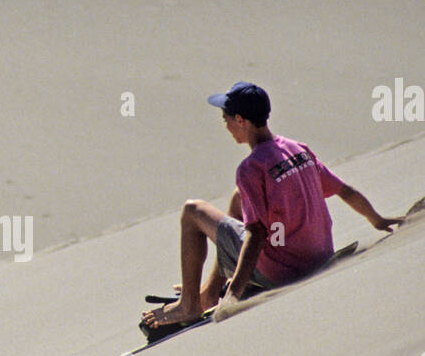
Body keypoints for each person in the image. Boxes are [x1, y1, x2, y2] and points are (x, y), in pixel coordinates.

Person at [142, 82, 403, 330]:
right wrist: (376, 220)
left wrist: (232, 296)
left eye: (227, 120)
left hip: (282, 270)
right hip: (319, 256)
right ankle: (208, 293)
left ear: (241, 121)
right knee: (238, 199)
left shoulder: (251, 168)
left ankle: (189, 305)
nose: (226, 126)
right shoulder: (297, 149)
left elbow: (256, 235)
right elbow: (345, 190)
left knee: (193, 211)